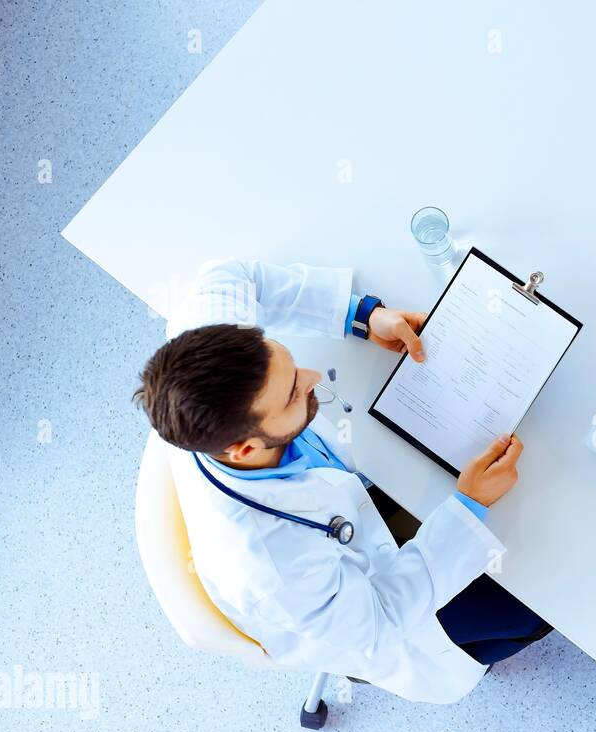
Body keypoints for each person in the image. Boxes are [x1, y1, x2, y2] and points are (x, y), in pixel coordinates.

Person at [134, 259, 549, 704]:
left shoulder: (208, 350)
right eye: (293, 391)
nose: (313, 379)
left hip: (354, 504)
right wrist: (468, 507)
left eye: (291, 365)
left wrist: (363, 316)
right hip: (359, 612)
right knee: (531, 607)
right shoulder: (273, 565)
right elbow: (381, 619)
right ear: (246, 450)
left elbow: (231, 277)